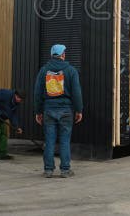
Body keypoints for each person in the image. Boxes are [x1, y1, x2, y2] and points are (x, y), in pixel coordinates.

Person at [34, 44, 83, 179]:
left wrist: (38, 111)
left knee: (49, 140)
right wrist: (79, 110)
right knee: (64, 141)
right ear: (63, 55)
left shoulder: (44, 71)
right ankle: (65, 170)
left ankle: (48, 170)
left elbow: (37, 93)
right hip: (66, 110)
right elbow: (77, 92)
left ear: (51, 55)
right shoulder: (71, 71)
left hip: (49, 109)